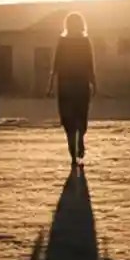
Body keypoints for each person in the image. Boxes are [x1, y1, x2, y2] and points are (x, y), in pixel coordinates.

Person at [45, 12, 97, 167]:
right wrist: (94, 83)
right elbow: (90, 65)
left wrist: (49, 86)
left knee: (68, 121)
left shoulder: (62, 42)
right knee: (81, 116)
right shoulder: (85, 41)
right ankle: (80, 139)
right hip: (81, 85)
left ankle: (73, 156)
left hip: (65, 86)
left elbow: (55, 66)